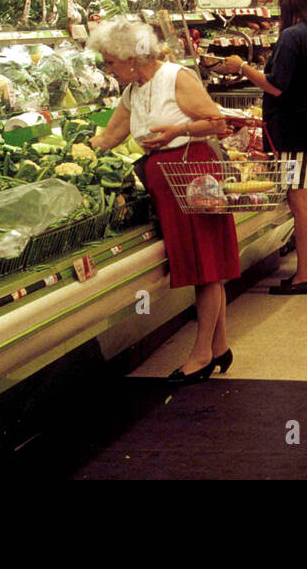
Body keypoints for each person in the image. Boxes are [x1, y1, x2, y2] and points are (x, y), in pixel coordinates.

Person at [86, 20, 236, 384]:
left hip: (193, 177)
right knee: (201, 264)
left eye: (110, 63)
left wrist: (177, 130)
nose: (108, 70)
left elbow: (217, 122)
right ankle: (219, 346)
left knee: (206, 268)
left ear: (132, 59)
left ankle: (201, 355)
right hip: (165, 183)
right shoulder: (134, 91)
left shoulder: (176, 78)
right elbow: (109, 136)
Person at [221, 0, 307, 296]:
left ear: (287, 8)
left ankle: (304, 276)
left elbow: (275, 86)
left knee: (300, 205)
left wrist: (241, 66)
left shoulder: (291, 37)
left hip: (296, 136)